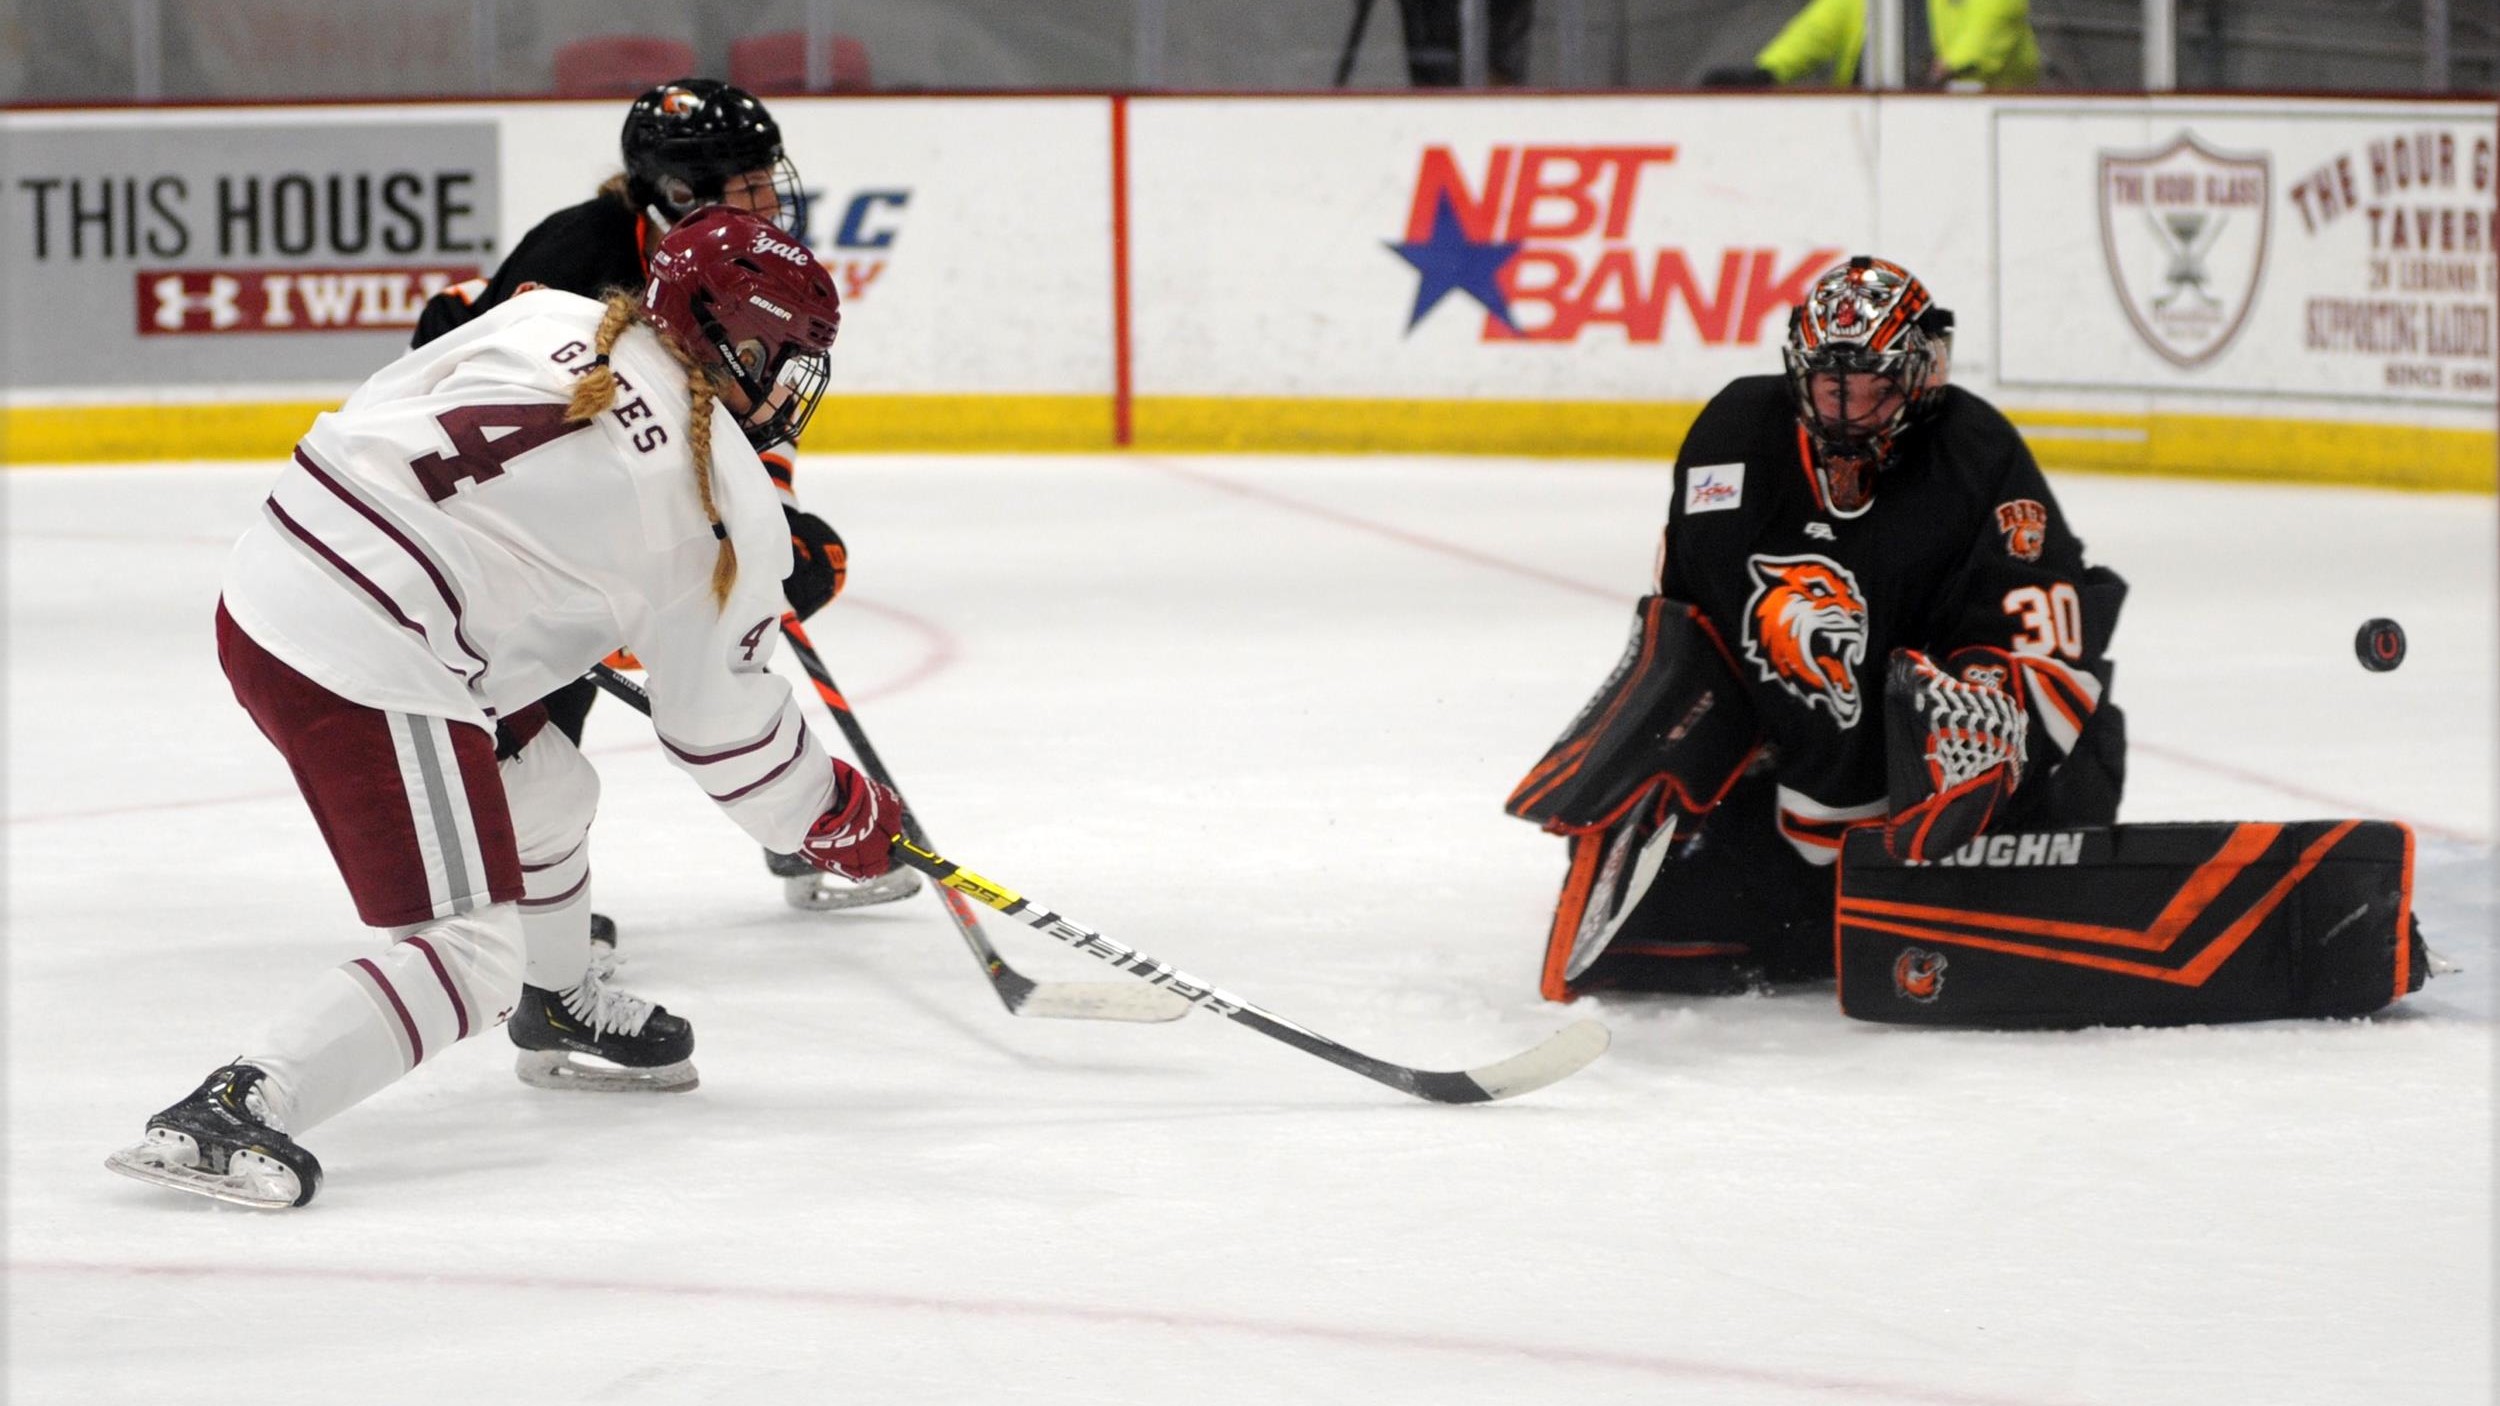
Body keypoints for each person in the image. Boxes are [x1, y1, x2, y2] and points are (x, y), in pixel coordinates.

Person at [103, 208, 906, 1209]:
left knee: (550, 788)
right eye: (787, 359)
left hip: (278, 561)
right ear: (742, 346)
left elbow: (384, 408)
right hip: (365, 649)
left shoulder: (547, 316)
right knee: (471, 952)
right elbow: (722, 730)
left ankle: (559, 999)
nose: (790, 385)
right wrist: (831, 812)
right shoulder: (727, 505)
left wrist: (504, 581)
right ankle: (239, 1104)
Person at [1508, 256, 2125, 998]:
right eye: (1832, 385)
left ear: (1923, 374)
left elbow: (2042, 622)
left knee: (2072, 754)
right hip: (1788, 777)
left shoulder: (1975, 453)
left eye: (1874, 385)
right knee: (1695, 932)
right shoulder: (1733, 436)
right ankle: (1806, 897)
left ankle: (2014, 874)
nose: (1849, 409)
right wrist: (1663, 744)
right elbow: (1690, 621)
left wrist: (1988, 698)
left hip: (1930, 795)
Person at [418, 77, 902, 948]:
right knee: (554, 664)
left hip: (632, 486)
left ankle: (793, 815)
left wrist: (763, 525)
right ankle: (531, 899)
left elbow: (754, 409)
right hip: (525, 508)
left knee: (793, 572)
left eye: (766, 174)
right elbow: (477, 375)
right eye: (744, 180)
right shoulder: (577, 257)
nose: (770, 196)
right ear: (677, 192)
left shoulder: (748, 264)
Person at [1706, 0, 2041, 90]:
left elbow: (1995, 18)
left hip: (1963, 116)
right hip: (1874, 116)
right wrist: (1769, 70)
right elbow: (1819, 27)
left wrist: (1951, 65)